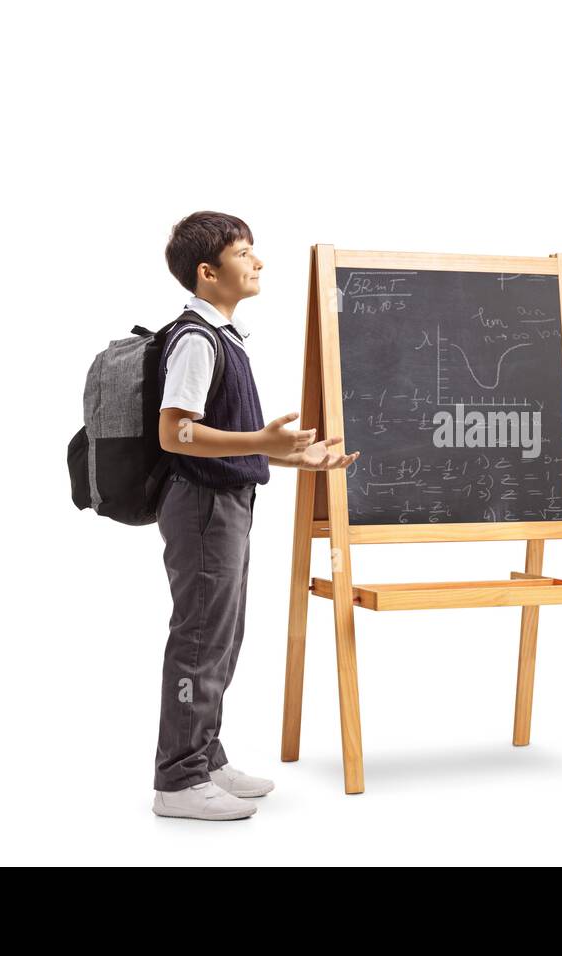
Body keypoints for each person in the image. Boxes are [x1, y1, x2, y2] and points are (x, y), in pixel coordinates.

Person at [152, 211, 358, 821]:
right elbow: (175, 432)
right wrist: (261, 445)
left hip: (225, 502)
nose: (258, 261)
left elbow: (238, 440)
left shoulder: (226, 337)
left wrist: (294, 455)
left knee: (221, 633)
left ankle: (206, 758)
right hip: (200, 505)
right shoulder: (195, 337)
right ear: (207, 272)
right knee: (198, 637)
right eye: (245, 252)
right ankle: (179, 779)